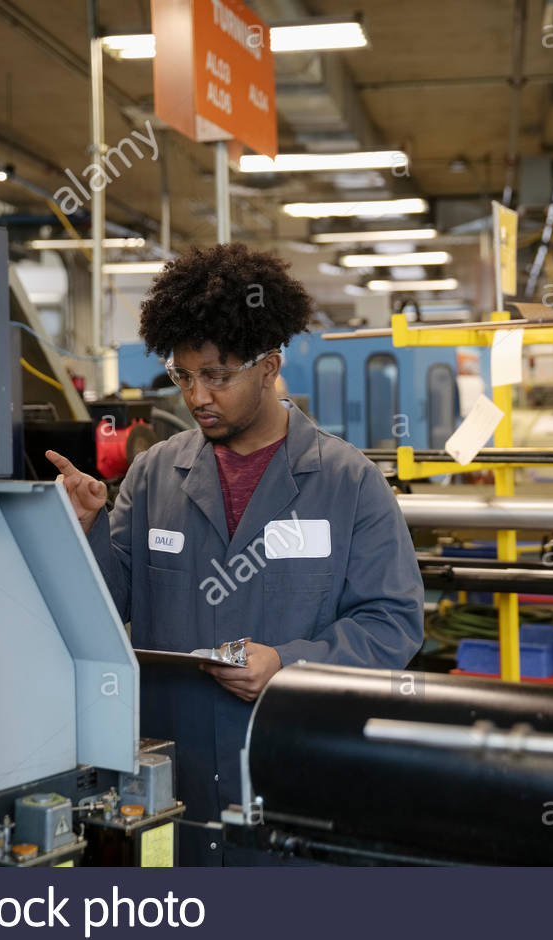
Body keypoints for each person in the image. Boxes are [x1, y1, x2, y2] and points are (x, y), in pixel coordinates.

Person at [45, 243, 424, 865]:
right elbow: (106, 609)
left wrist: (290, 664)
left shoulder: (346, 481)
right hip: (174, 775)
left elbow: (393, 625)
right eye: (183, 375)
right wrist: (84, 528)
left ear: (269, 365)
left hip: (292, 767)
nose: (197, 396)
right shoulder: (153, 476)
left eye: (217, 375)